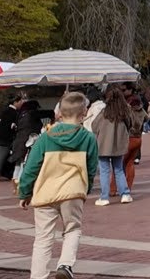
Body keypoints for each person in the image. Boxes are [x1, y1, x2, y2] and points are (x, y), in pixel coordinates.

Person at [17, 91, 99, 279]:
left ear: (60, 113)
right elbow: (92, 167)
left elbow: (31, 167)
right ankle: (65, 264)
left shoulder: (46, 137)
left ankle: (38, 276)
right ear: (84, 113)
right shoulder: (88, 138)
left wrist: (24, 192)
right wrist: (85, 189)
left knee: (43, 239)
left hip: (45, 192)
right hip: (73, 191)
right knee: (72, 230)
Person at [90, 85, 133, 206]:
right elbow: (130, 124)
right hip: (119, 145)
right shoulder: (125, 112)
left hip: (103, 145)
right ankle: (125, 194)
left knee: (104, 171)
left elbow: (94, 126)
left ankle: (104, 197)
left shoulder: (104, 112)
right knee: (118, 170)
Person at [0, 94, 27, 182]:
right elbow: (11, 126)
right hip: (5, 138)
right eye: (20, 102)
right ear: (15, 102)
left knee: (3, 155)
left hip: (2, 137)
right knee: (2, 155)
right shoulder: (12, 112)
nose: (21, 104)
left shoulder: (8, 110)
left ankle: (0, 172)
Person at [123, 93, 146, 193]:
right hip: (138, 138)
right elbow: (147, 118)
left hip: (129, 138)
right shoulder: (142, 111)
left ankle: (113, 188)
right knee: (130, 163)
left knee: (119, 165)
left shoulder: (129, 110)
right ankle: (128, 186)